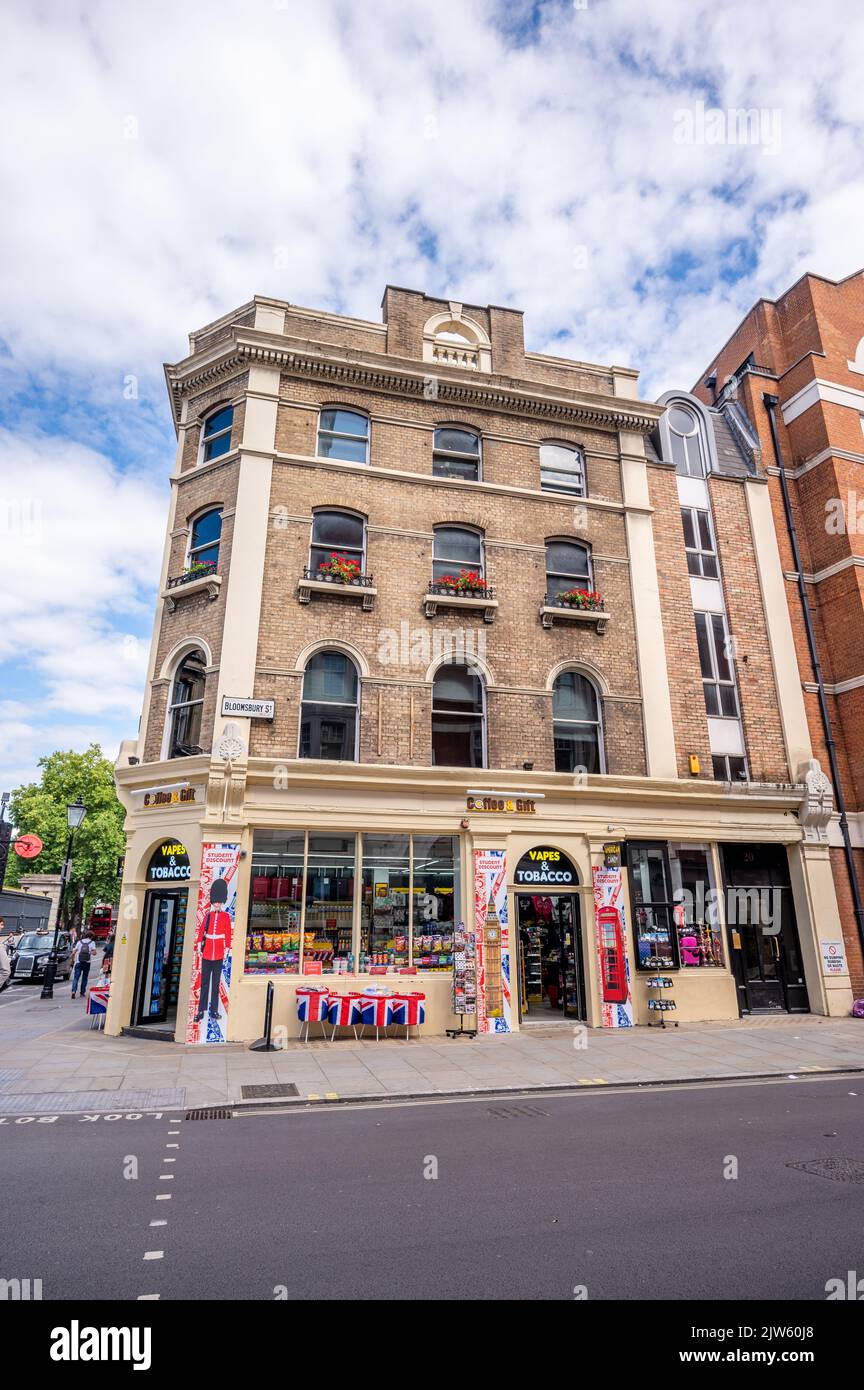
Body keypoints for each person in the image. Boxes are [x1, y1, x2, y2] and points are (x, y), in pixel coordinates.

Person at [194, 876, 232, 1023]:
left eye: (219, 900)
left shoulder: (225, 916)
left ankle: (214, 1010)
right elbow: (202, 931)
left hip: (218, 953)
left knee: (215, 983)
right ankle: (201, 1010)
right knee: (204, 983)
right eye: (215, 900)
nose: (217, 902)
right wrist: (198, 945)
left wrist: (227, 947)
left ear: (222, 900)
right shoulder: (208, 916)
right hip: (207, 951)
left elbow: (228, 933)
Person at [70, 930, 96, 999]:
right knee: (84, 977)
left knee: (76, 978)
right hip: (87, 962)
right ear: (91, 936)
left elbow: (73, 952)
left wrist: (72, 960)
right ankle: (82, 992)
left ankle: (73, 991)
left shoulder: (79, 942)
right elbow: (94, 953)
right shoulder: (92, 943)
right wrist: (91, 951)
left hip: (78, 962)